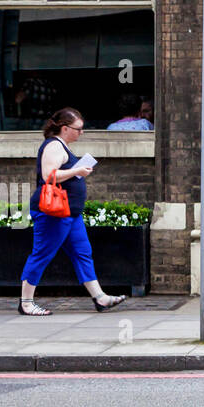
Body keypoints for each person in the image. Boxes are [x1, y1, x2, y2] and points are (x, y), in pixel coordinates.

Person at [18, 108, 127, 316]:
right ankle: (26, 302)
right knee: (42, 253)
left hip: (70, 213)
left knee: (82, 253)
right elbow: (49, 175)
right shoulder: (53, 146)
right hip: (54, 212)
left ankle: (100, 298)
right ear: (65, 128)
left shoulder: (63, 146)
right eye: (79, 129)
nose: (81, 132)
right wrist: (77, 170)